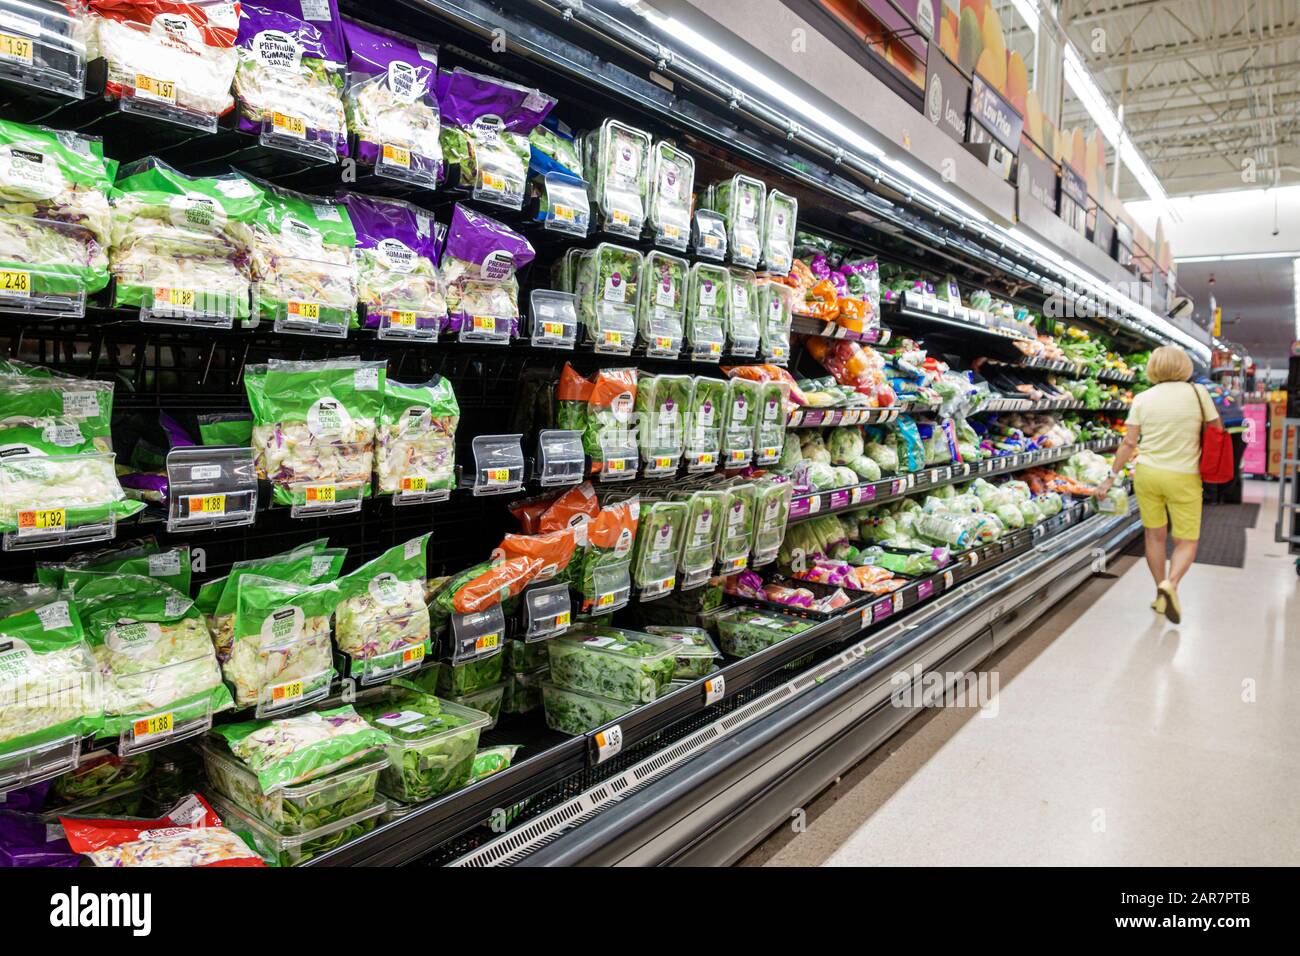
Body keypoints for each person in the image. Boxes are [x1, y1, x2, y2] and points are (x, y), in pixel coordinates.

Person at [1096, 345, 1222, 624]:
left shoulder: (1143, 398)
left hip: (1148, 474)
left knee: (1154, 537)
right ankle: (1172, 585)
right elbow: (1218, 428)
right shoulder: (1198, 393)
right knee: (1186, 539)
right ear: (1184, 366)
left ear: (1153, 367)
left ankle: (1159, 592)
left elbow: (1129, 443)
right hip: (1184, 475)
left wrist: (1110, 476)